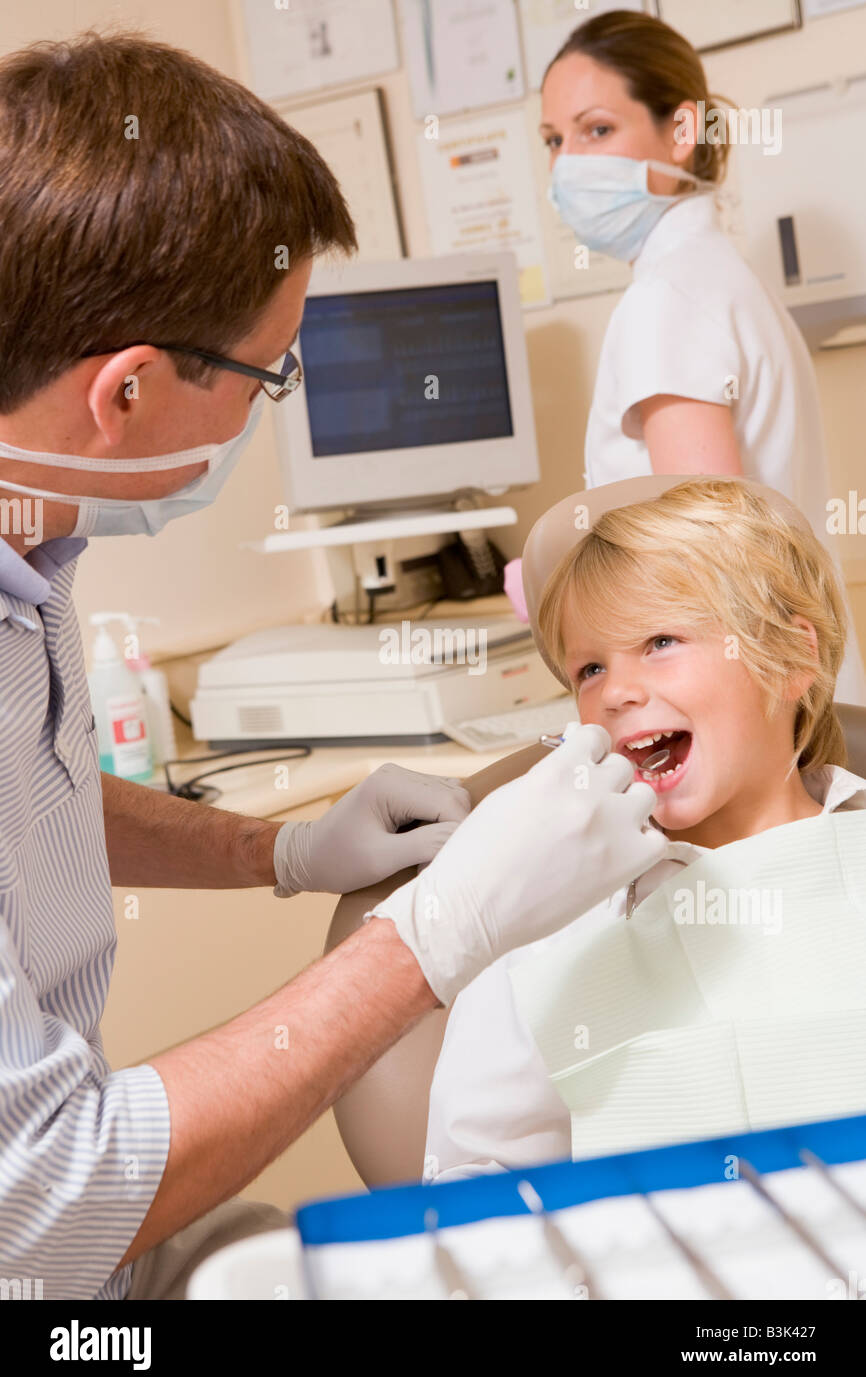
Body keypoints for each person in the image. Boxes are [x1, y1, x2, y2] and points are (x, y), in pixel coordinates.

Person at [0, 30, 668, 1300]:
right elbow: (41, 1197)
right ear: (125, 392)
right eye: (268, 370)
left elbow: (29, 809)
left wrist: (274, 855)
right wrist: (432, 933)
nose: (274, 402)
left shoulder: (33, 544)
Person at [424, 478, 866, 1181]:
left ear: (790, 658)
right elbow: (480, 1181)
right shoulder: (545, 925)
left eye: (661, 641)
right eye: (590, 668)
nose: (617, 691)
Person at [536, 8, 866, 705]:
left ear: (681, 131)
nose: (569, 165)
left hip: (744, 710)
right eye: (554, 140)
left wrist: (557, 584)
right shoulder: (722, 276)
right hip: (790, 694)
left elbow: (706, 558)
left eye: (597, 129)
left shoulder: (671, 297)